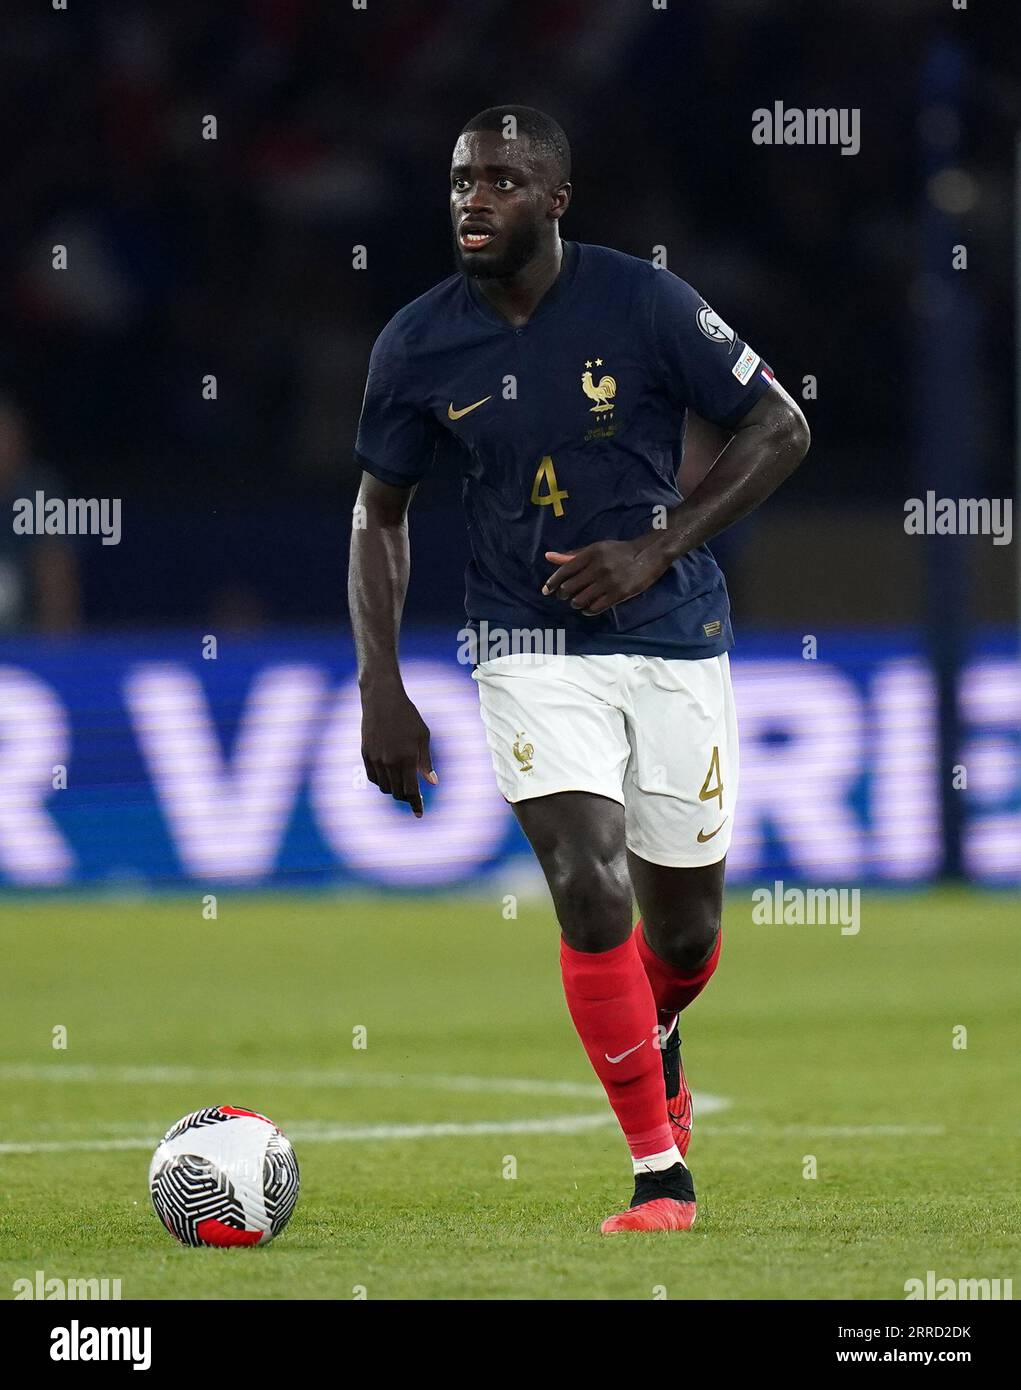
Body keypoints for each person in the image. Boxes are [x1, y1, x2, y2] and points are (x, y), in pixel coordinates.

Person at [349, 106, 810, 1233]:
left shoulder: (643, 302)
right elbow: (379, 517)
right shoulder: (416, 344)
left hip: (673, 639)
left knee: (687, 934)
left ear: (555, 200)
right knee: (585, 879)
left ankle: (656, 1033)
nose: (474, 198)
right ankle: (661, 1173)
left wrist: (654, 548)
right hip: (522, 642)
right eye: (462, 177)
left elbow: (780, 426)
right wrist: (381, 685)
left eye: (503, 181)